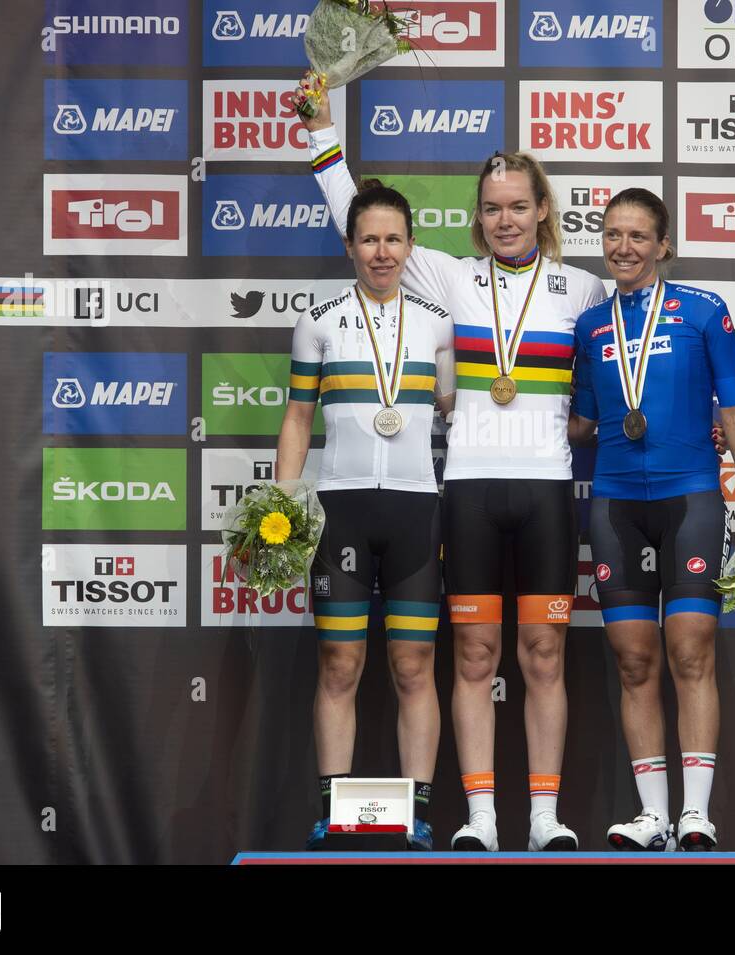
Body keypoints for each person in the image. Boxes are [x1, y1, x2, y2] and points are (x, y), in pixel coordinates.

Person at [297, 76, 605, 851]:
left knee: (543, 654)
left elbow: (623, 373)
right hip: (464, 489)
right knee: (471, 653)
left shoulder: (586, 288)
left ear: (542, 210)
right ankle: (479, 818)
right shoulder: (448, 277)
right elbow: (358, 217)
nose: (505, 220)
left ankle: (542, 818)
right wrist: (322, 131)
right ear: (479, 216)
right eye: (492, 208)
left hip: (546, 491)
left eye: (518, 205)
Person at [568, 188, 735, 851]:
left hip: (690, 496)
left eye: (636, 235)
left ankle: (696, 814)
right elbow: (583, 418)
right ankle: (653, 815)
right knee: (632, 659)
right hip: (616, 500)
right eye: (611, 234)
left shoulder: (705, 312)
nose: (622, 247)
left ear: (663, 245)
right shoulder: (591, 327)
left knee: (690, 650)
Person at [275, 179, 455, 851]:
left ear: (411, 245)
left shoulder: (438, 320)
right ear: (349, 244)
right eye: (369, 239)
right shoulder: (318, 319)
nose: (382, 251)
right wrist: (284, 504)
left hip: (416, 511)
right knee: (339, 665)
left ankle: (418, 814)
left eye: (394, 238)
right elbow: (296, 417)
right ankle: (333, 812)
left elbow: (454, 407)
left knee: (414, 665)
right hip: (341, 509)